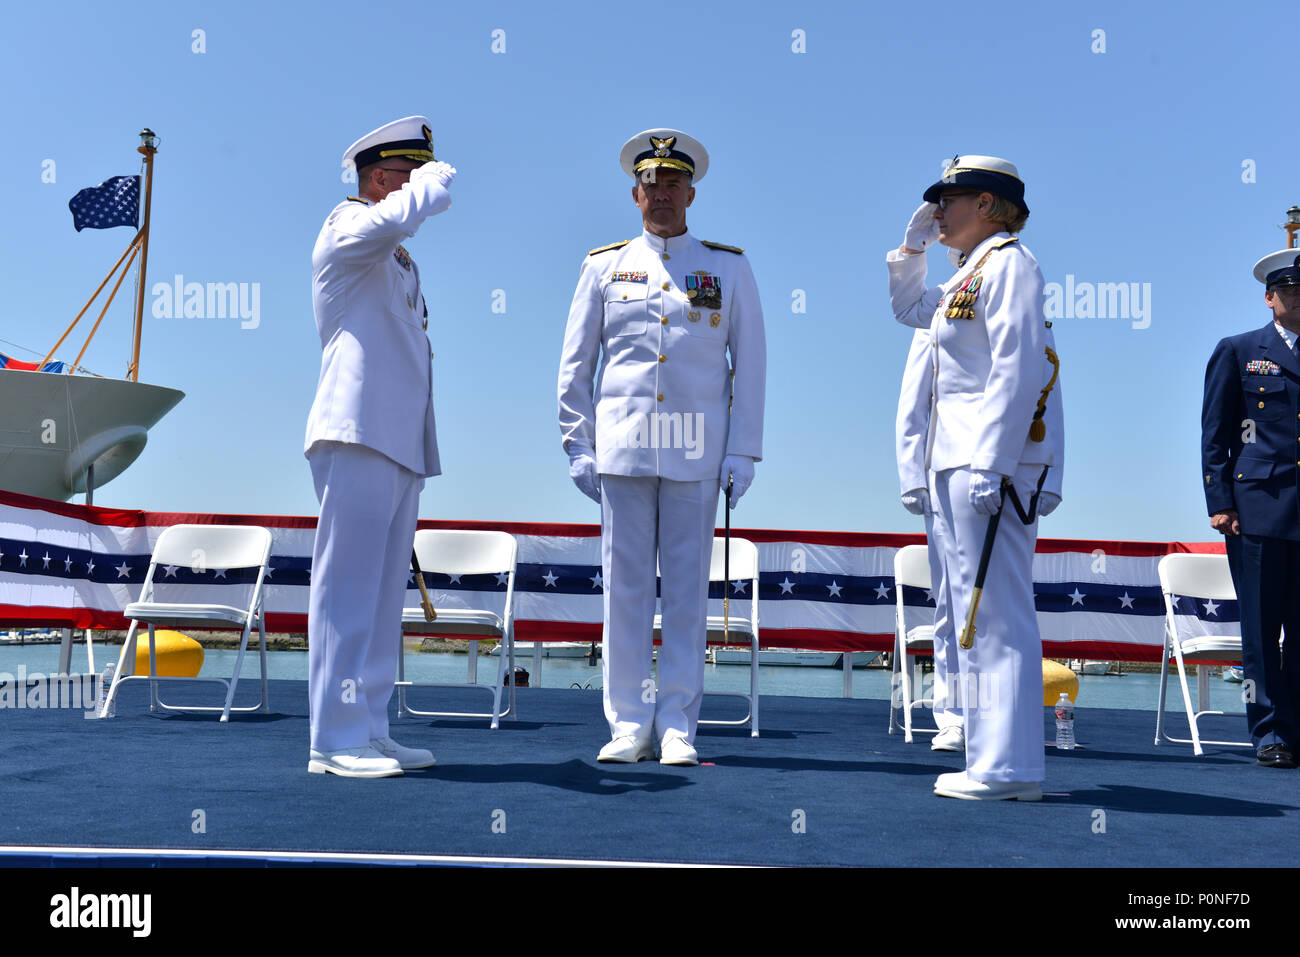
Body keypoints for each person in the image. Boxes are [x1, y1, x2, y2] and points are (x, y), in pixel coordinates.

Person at [557, 128, 766, 766]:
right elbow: (577, 364)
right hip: (622, 448)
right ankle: (627, 724)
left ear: (691, 192)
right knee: (624, 591)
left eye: (674, 183)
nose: (662, 193)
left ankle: (676, 724)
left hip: (697, 450)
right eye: (652, 183)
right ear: (635, 193)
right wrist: (577, 443)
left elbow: (749, 364)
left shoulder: (726, 266)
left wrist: (743, 451)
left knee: (683, 592)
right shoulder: (603, 265)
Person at [886, 155, 1063, 800]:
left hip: (987, 462)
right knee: (971, 612)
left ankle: (1009, 767)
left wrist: (992, 461)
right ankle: (992, 759)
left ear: (987, 204)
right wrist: (913, 248)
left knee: (996, 613)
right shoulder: (972, 273)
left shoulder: (1012, 263)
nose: (940, 211)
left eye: (949, 200)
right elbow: (911, 310)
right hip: (955, 459)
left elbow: (1018, 367)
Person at [304, 116, 456, 778]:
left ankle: (369, 724)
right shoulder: (347, 225)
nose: (420, 182)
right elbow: (389, 221)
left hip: (397, 439)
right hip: (356, 429)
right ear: (379, 178)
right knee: (347, 590)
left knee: (381, 595)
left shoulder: (397, 256)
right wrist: (429, 188)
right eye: (410, 172)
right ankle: (333, 739)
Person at [1201, 248, 1300, 769]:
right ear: (1270, 298)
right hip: (1256, 508)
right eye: (1289, 291)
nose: (1298, 299)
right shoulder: (1239, 351)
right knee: (1261, 632)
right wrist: (1220, 502)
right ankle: (1271, 733)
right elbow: (1216, 433)